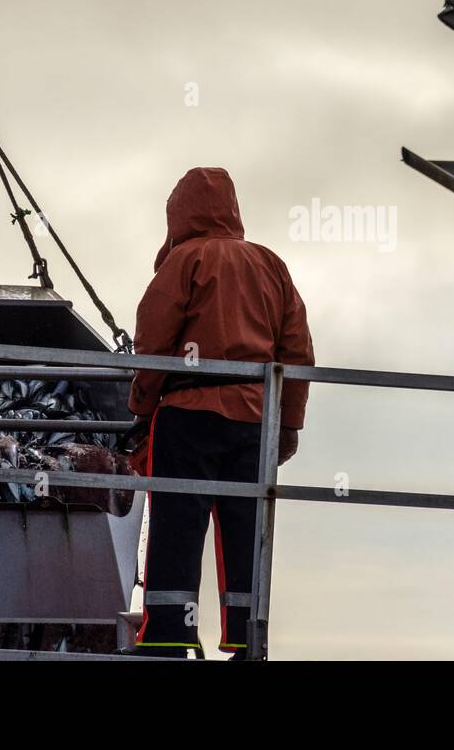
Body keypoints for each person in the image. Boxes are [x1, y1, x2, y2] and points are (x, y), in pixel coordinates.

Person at [128, 167, 314, 658]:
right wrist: (288, 425)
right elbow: (297, 352)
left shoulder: (184, 260)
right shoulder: (271, 265)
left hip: (188, 414)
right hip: (255, 420)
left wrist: (141, 407)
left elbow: (153, 340)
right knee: (246, 532)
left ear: (178, 215)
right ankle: (247, 641)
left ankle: (167, 639)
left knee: (176, 526)